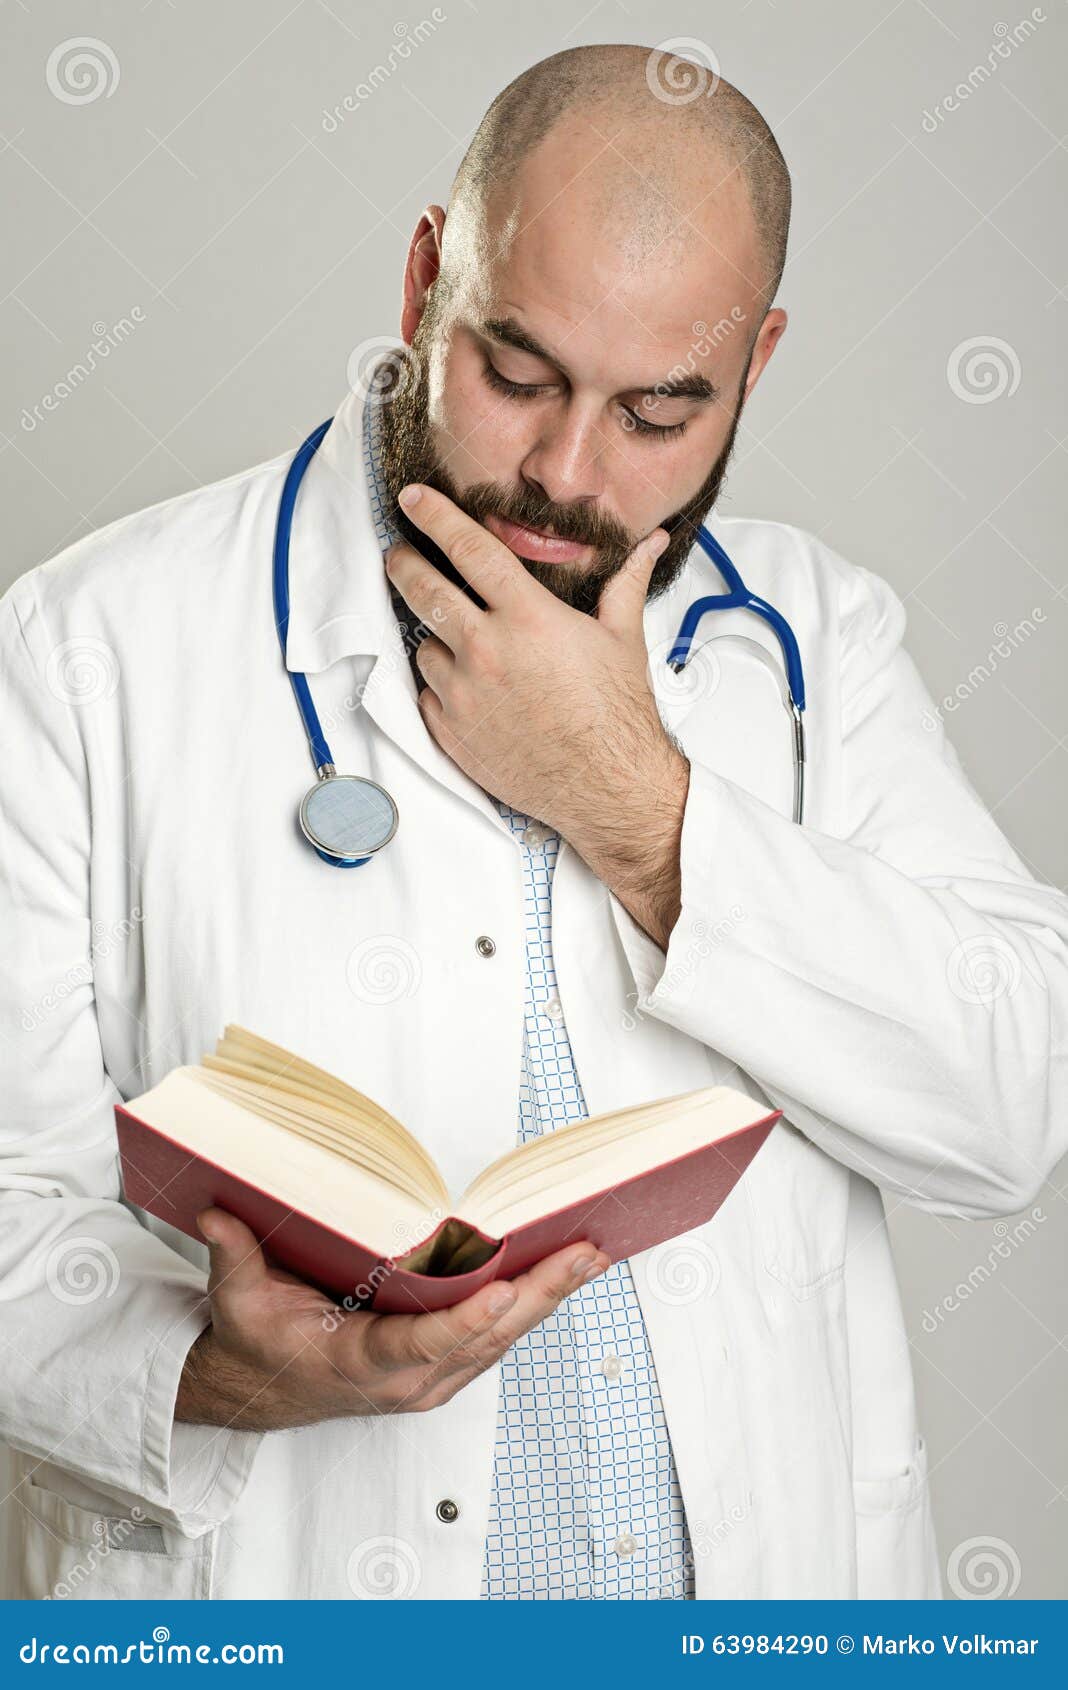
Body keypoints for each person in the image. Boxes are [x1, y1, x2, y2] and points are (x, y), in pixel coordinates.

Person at [1, 43, 1065, 1602]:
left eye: (660, 410)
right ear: (430, 274)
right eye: (516, 372)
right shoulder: (88, 650)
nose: (566, 474)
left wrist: (639, 806)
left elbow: (1014, 1099)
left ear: (757, 364)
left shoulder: (818, 642)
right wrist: (218, 1375)